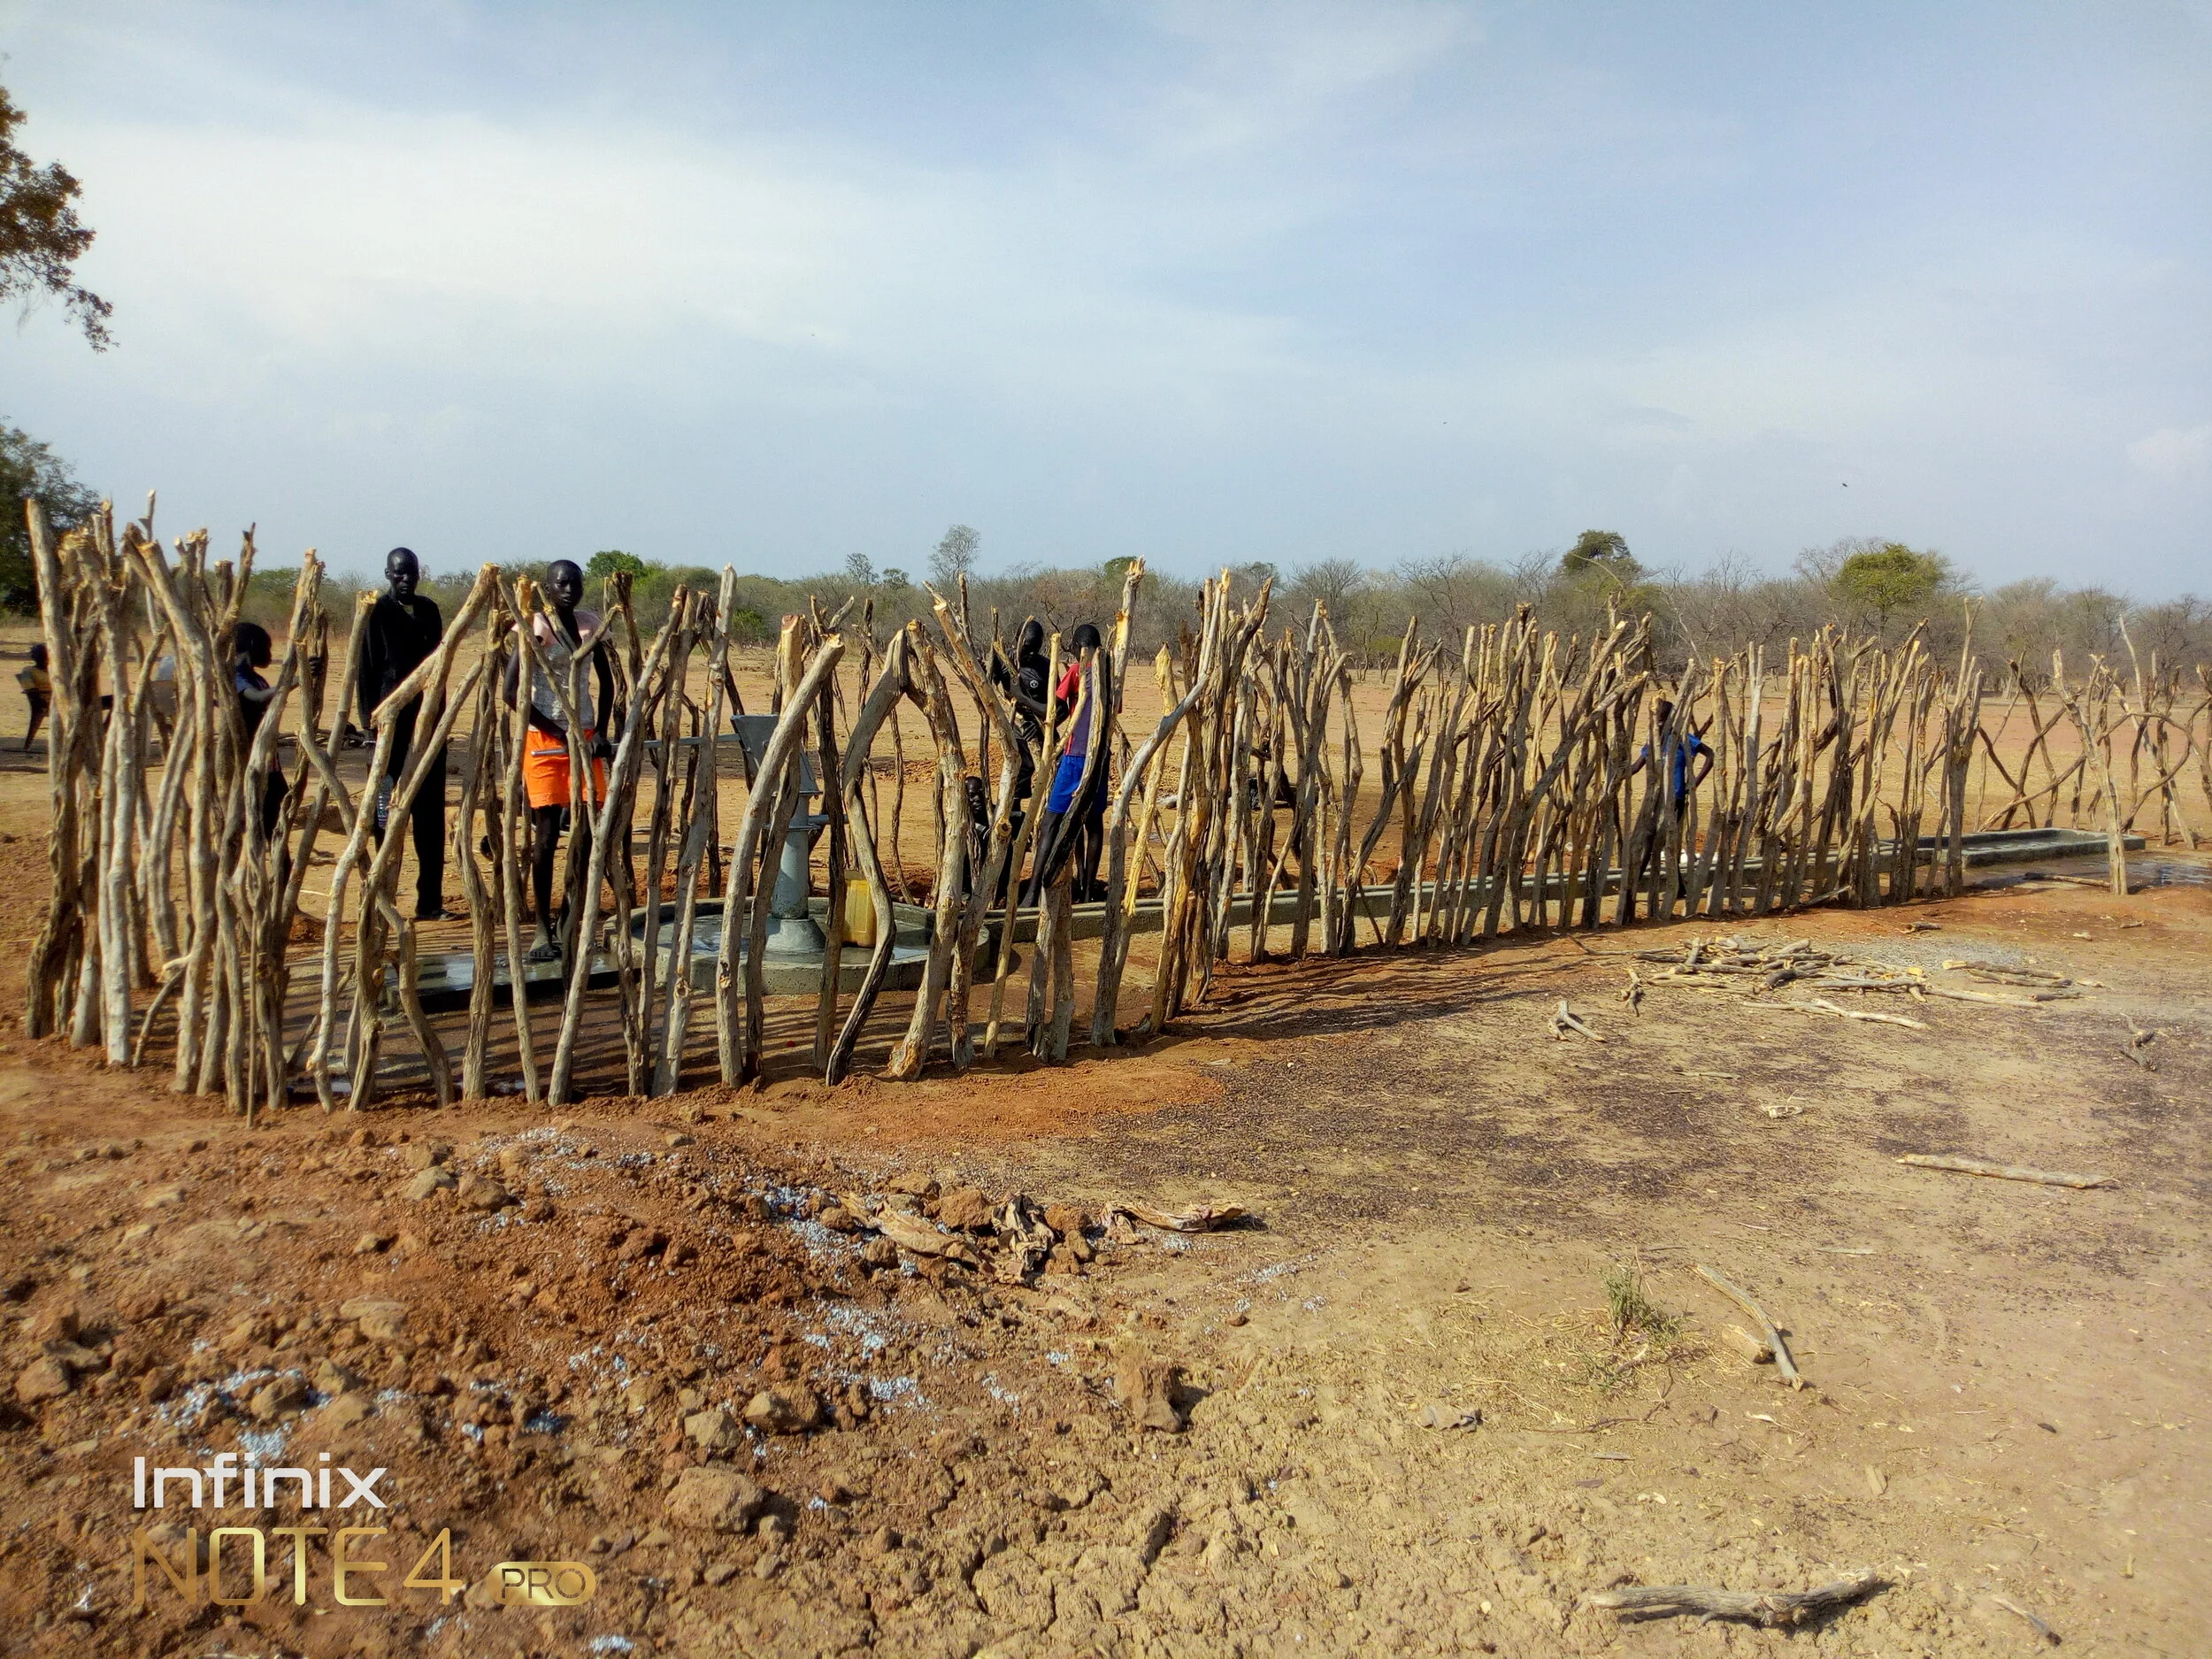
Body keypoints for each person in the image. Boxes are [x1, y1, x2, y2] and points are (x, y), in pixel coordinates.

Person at [511, 559, 616, 964]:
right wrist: (559, 732)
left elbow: (606, 681)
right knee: (546, 836)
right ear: (547, 588)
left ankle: (568, 917)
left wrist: (601, 730)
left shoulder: (589, 626)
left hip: (585, 738)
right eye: (561, 584)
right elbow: (511, 693)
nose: (568, 590)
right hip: (545, 740)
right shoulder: (534, 628)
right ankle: (540, 928)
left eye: (575, 583)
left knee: (589, 830)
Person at [357, 548, 449, 920]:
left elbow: (437, 664)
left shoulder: (429, 610)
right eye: (398, 574)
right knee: (385, 812)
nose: (406, 579)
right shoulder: (376, 612)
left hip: (426, 723)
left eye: (411, 573)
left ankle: (430, 902)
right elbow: (365, 670)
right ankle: (383, 900)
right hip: (390, 724)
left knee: (430, 817)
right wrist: (369, 723)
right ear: (388, 575)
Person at [1031, 622, 1111, 902]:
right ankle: (1088, 891)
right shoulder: (1110, 674)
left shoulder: (1078, 671)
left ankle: (1033, 892)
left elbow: (1056, 710)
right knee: (1094, 824)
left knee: (1051, 820)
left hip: (1075, 756)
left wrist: (1018, 696)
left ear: (1078, 648)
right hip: (1100, 757)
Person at [233, 622, 288, 839]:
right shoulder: (235, 676)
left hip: (268, 758)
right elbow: (255, 697)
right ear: (253, 646)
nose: (268, 654)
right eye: (267, 647)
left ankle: (279, 862)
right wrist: (290, 681)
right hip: (251, 759)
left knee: (280, 805)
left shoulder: (256, 678)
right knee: (266, 815)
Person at [18, 644, 50, 751]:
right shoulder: (28, 671)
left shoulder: (55, 670)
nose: (44, 658)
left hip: (66, 699)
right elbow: (32, 693)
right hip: (48, 703)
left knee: (105, 700)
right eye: (40, 655)